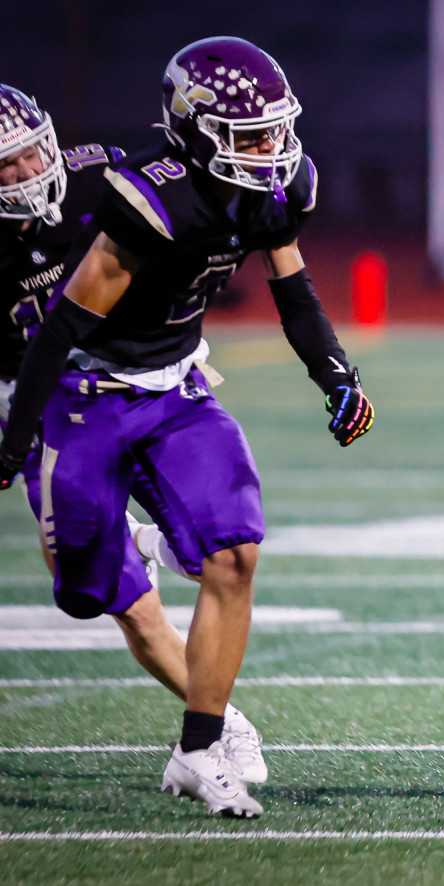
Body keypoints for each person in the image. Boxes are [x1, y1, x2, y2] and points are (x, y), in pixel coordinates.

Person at [0, 37, 374, 818]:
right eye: (248, 135)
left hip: (173, 386)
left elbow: (295, 294)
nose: (269, 150)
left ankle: (202, 743)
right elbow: (57, 333)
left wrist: (335, 375)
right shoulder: (147, 199)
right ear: (196, 132)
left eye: (275, 130)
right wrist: (11, 441)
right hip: (73, 395)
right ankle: (138, 547)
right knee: (90, 595)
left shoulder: (121, 179)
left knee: (235, 550)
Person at [0, 82, 266, 783]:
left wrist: (184, 351)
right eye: (8, 166)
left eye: (32, 154)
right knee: (98, 594)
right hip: (37, 412)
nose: (29, 174)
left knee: (219, 547)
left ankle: (210, 727)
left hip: (135, 389)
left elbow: (181, 223)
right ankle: (225, 718)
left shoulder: (105, 177)